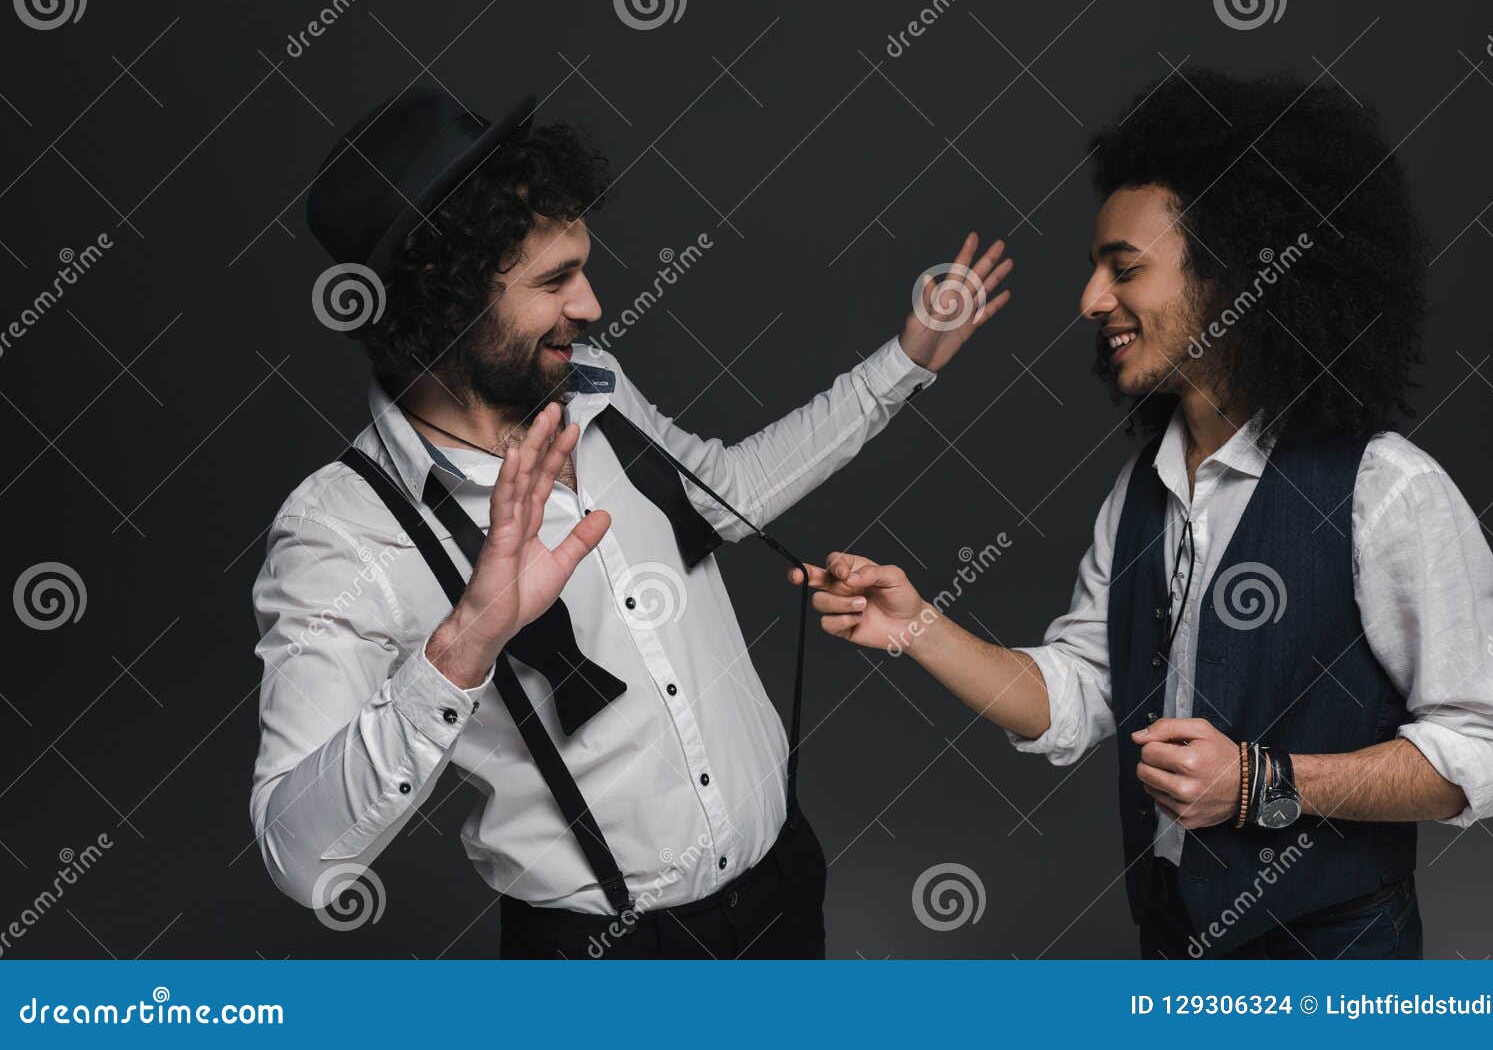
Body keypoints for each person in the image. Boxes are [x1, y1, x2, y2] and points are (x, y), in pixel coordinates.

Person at [249, 85, 1014, 958]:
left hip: (784, 899)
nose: (592, 305)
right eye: (555, 280)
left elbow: (721, 492)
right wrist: (464, 643)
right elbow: (297, 853)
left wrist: (902, 365)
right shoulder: (340, 531)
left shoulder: (594, 387)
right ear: (441, 293)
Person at [791, 69, 1493, 959]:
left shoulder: (1390, 490)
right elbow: (1073, 697)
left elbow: (1483, 751)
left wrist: (1263, 783)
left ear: (1235, 279)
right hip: (1173, 940)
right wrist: (916, 627)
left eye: (1125, 268)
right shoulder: (1141, 491)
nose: (1090, 300)